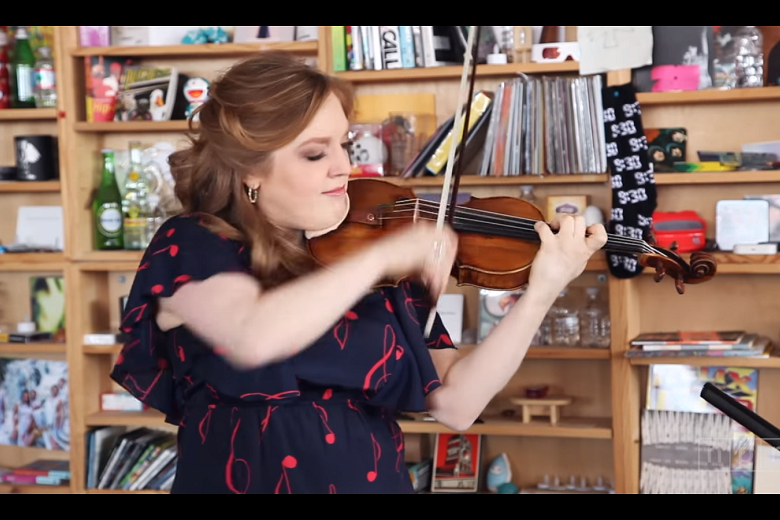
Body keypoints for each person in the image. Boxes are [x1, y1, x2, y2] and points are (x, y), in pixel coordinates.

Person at [110, 51, 607, 495]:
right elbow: (254, 334)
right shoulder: (193, 243)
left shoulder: (375, 258)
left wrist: (543, 290)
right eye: (315, 153)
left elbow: (458, 404)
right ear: (249, 171)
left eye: (344, 145)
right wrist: (381, 258)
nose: (343, 167)